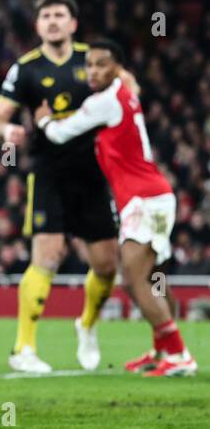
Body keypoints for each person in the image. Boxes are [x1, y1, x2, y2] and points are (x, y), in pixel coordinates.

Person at [35, 39, 195, 377]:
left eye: (101, 64)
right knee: (151, 279)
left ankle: (180, 355)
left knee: (135, 280)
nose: (93, 71)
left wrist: (44, 121)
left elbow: (61, 134)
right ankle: (162, 349)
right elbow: (129, 80)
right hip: (150, 197)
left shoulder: (104, 101)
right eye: (89, 64)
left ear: (116, 69)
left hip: (144, 200)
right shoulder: (124, 90)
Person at [0, 0, 119, 373]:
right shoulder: (25, 68)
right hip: (48, 172)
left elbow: (125, 91)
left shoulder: (92, 59)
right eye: (46, 16)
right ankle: (23, 349)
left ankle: (87, 324)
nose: (53, 21)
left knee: (107, 265)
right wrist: (6, 129)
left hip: (94, 173)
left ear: (73, 23)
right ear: (37, 25)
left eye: (60, 15)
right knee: (47, 255)